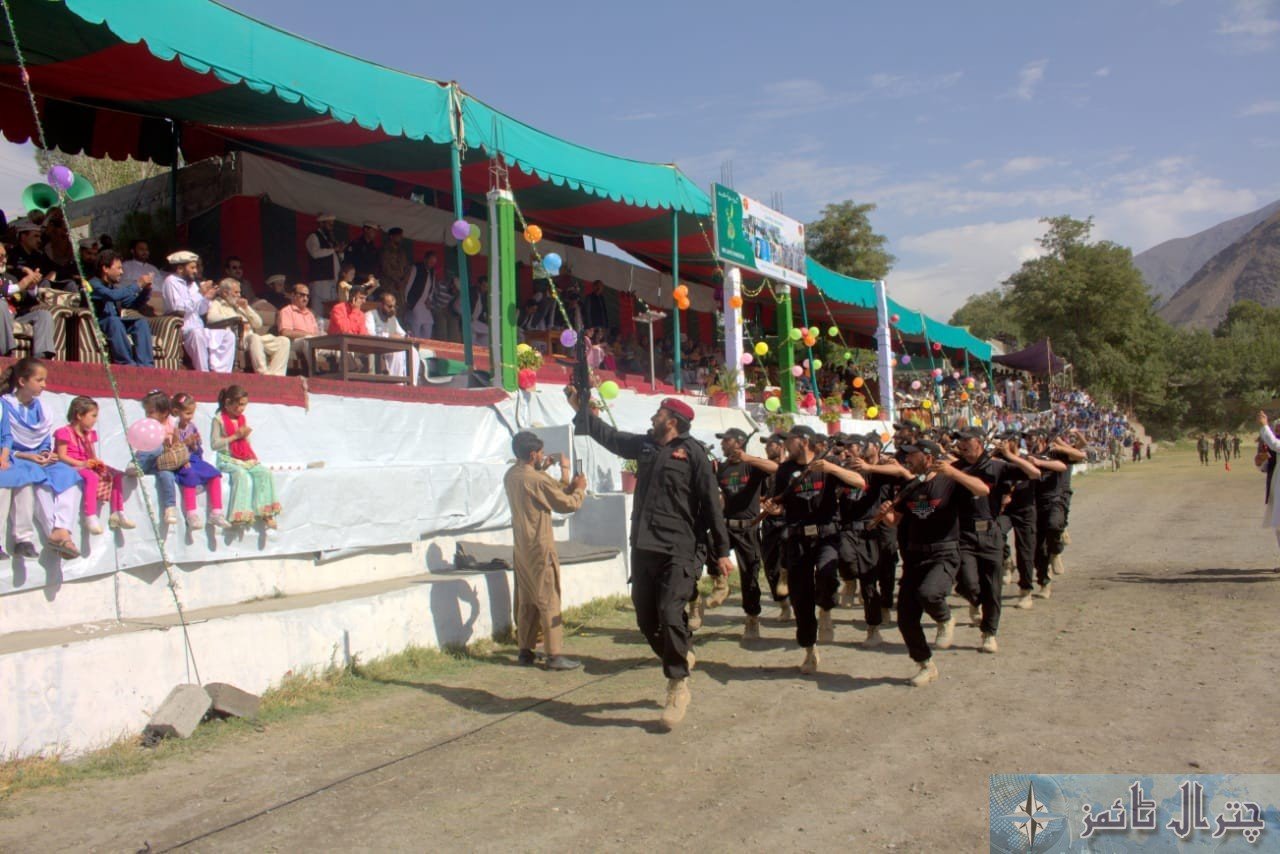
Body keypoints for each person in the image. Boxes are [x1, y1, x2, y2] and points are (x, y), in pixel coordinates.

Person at [570, 389, 731, 731]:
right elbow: (611, 438)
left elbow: (711, 505)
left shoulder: (694, 454)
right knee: (646, 619)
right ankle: (681, 654)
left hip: (679, 547)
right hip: (644, 545)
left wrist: (722, 552)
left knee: (670, 612)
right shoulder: (644, 446)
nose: (653, 417)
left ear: (672, 421)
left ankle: (677, 684)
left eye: (659, 413)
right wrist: (582, 410)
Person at [878, 438, 989, 687]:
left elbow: (982, 490)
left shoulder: (950, 481)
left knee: (929, 593)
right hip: (915, 556)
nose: (906, 459)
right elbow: (896, 520)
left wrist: (953, 472)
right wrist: (886, 515)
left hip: (944, 552)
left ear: (928, 457)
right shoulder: (910, 485)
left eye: (912, 455)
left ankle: (945, 618)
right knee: (905, 618)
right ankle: (926, 665)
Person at [761, 424, 865, 673]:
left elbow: (860, 482)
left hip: (826, 535)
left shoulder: (828, 463)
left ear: (803, 441)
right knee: (800, 597)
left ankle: (826, 608)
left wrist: (831, 468)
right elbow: (781, 503)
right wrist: (774, 509)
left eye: (789, 440)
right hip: (797, 537)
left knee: (827, 575)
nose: (785, 445)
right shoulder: (785, 470)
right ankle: (809, 649)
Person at [950, 428, 1041, 654]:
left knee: (992, 587)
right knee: (968, 582)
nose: (962, 447)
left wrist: (1009, 456)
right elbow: (933, 500)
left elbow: (1034, 473)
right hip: (963, 534)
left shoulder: (997, 467)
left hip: (990, 533)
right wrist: (917, 510)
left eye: (967, 443)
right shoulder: (954, 468)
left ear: (979, 443)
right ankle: (975, 600)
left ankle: (989, 633)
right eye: (960, 444)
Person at [503, 431, 588, 671]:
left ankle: (525, 650)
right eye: (540, 453)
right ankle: (554, 655)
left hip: (522, 548)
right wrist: (579, 489)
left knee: (527, 600)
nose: (543, 456)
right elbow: (566, 503)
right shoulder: (537, 480)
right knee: (549, 599)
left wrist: (556, 473)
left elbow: (545, 489)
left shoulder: (511, 475)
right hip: (540, 547)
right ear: (533, 455)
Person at [0, 358, 82, 558]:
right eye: (39, 380)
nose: (44, 385)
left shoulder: (43, 409)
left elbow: (44, 439)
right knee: (31, 480)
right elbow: (6, 439)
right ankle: (46, 534)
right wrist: (23, 455)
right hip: (17, 458)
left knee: (69, 475)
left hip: (36, 458)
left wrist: (46, 453)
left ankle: (62, 529)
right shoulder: (6, 405)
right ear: (22, 381)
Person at [711, 427, 779, 642]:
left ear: (738, 442)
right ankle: (720, 584)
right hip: (726, 525)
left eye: (726, 440)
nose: (722, 444)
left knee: (750, 574)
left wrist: (748, 458)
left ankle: (752, 618)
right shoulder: (721, 468)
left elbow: (775, 468)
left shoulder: (752, 465)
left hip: (748, 528)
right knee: (706, 544)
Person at [54, 396, 132, 536]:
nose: (95, 420)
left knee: (116, 474)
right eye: (93, 416)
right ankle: (90, 515)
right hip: (71, 466)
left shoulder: (89, 434)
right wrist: (82, 464)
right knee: (91, 477)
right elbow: (61, 456)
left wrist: (96, 463)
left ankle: (117, 511)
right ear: (79, 415)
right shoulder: (64, 432)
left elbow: (92, 454)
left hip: (86, 463)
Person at [211, 385, 280, 529]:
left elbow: (246, 443)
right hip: (227, 458)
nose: (242, 408)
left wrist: (248, 446)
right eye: (240, 404)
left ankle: (266, 513)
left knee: (264, 472)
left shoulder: (242, 419)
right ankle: (239, 515)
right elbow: (214, 444)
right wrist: (235, 436)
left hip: (243, 458)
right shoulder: (219, 420)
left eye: (244, 405)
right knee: (241, 474)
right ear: (228, 402)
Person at [162, 251, 236, 372]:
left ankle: (221, 373)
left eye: (196, 267)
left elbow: (201, 311)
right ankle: (204, 373)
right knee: (198, 334)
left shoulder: (193, 284)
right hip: (184, 330)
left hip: (199, 328)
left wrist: (207, 297)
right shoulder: (171, 281)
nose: (196, 271)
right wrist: (200, 294)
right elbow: (178, 309)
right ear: (180, 269)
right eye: (192, 268)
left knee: (228, 336)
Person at [206, 278, 291, 376]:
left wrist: (246, 308)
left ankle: (277, 375)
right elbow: (211, 318)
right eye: (236, 292)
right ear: (225, 293)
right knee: (254, 337)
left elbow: (258, 323)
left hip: (253, 340)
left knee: (284, 341)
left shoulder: (240, 306)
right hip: (238, 340)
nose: (239, 295)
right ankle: (263, 373)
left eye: (240, 292)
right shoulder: (218, 303)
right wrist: (235, 320)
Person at [170, 392, 229, 530]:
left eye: (192, 413)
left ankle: (216, 512)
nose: (191, 416)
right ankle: (191, 514)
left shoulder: (192, 426)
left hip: (193, 459)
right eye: (187, 413)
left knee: (214, 474)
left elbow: (196, 448)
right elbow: (173, 448)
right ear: (177, 412)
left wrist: (195, 442)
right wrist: (185, 442)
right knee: (189, 475)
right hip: (181, 461)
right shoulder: (174, 428)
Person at [87, 250, 154, 367]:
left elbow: (133, 304)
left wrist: (146, 290)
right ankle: (127, 364)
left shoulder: (113, 287)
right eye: (118, 268)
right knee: (114, 321)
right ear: (105, 269)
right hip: (99, 323)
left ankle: (146, 366)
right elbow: (112, 296)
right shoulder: (93, 284)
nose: (121, 272)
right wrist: (137, 284)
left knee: (141, 322)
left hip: (115, 322)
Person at [0, 240, 56, 358]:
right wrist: (23, 283)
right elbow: (4, 290)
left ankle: (41, 356)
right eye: (0, 256)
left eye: (5, 256)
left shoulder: (10, 277)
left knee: (43, 315)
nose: (4, 260)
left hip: (14, 317)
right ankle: (5, 353)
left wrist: (31, 286)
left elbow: (25, 300)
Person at [133, 390, 181, 526]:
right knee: (156, 447)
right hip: (148, 461)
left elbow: (177, 444)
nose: (148, 416)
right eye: (146, 412)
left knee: (167, 475)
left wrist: (169, 443)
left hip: (164, 463)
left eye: (151, 412)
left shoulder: (172, 425)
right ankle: (136, 465)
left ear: (164, 412)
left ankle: (170, 507)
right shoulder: (147, 426)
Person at [365, 290, 420, 382]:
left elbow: (402, 334)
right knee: (397, 352)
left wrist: (406, 336)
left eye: (394, 306)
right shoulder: (370, 315)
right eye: (389, 306)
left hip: (393, 345)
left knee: (413, 351)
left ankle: (412, 383)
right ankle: (396, 383)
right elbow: (370, 334)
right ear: (381, 305)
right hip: (378, 347)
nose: (392, 309)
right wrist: (389, 336)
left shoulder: (392, 318)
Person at [276, 283, 320, 372]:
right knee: (308, 340)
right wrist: (307, 335)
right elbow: (285, 332)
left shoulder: (310, 314)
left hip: (312, 342)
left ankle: (346, 375)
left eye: (307, 296)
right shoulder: (286, 311)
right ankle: (315, 372)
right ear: (293, 295)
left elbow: (316, 333)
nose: (305, 298)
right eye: (302, 295)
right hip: (293, 343)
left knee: (336, 348)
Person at [304, 213, 346, 307]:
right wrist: (334, 249)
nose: (331, 227)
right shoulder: (314, 236)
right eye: (329, 224)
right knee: (318, 309)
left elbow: (337, 258)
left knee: (331, 309)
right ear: (321, 223)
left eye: (332, 225)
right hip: (320, 281)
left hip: (333, 281)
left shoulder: (331, 239)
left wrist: (340, 252)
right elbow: (315, 253)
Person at [405, 251, 438, 339]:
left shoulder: (432, 271)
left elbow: (432, 287)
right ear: (425, 259)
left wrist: (429, 299)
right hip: (415, 301)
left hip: (424, 303)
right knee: (416, 322)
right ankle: (416, 343)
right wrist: (406, 299)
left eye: (434, 263)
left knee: (429, 323)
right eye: (431, 261)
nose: (432, 264)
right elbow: (409, 284)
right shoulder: (416, 268)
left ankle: (425, 343)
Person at [378, 227, 412, 304]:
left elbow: (407, 268)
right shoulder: (385, 250)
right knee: (388, 305)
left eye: (401, 236)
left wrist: (403, 281)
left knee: (400, 307)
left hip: (400, 287)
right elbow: (386, 268)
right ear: (391, 236)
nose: (401, 238)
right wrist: (397, 281)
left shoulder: (402, 252)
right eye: (398, 236)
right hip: (388, 285)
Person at [430, 273, 461, 342]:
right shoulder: (440, 286)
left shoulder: (454, 294)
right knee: (442, 321)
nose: (456, 291)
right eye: (455, 289)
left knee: (453, 321)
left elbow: (449, 304)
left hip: (443, 309)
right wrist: (434, 307)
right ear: (452, 285)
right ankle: (441, 342)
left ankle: (454, 343)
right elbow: (431, 297)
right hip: (434, 308)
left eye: (457, 291)